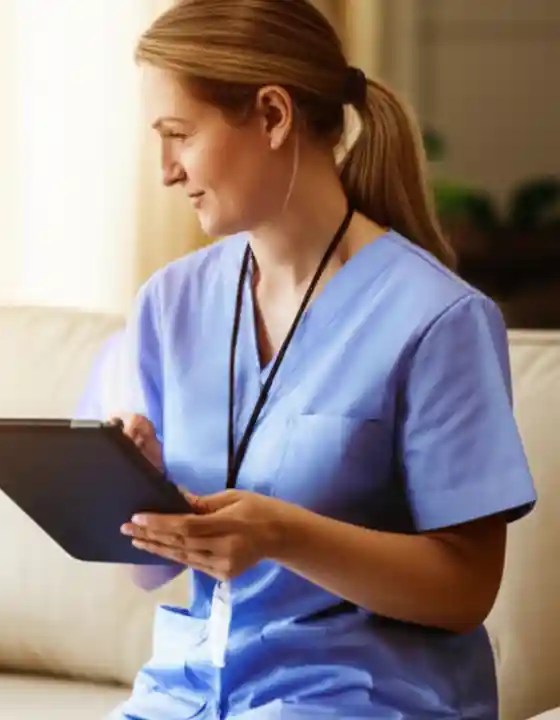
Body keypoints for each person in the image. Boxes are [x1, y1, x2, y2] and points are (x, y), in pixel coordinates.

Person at [90, 1, 537, 718]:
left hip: (361, 699)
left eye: (179, 135)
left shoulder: (437, 319)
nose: (167, 171)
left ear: (272, 116)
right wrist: (134, 491)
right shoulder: (170, 303)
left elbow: (465, 591)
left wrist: (281, 533)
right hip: (186, 695)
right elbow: (143, 575)